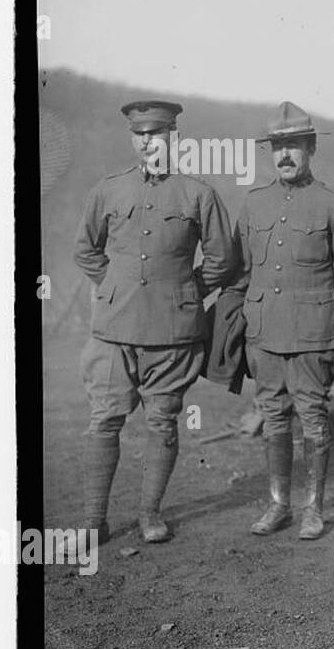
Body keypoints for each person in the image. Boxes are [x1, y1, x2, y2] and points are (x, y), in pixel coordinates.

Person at [73, 100, 237, 543]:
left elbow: (223, 258)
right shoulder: (108, 190)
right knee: (104, 419)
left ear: (173, 138)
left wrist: (185, 292)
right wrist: (115, 287)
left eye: (157, 134)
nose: (148, 141)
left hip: (171, 334)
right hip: (112, 331)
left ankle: (150, 515)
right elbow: (86, 249)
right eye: (140, 134)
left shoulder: (198, 193)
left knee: (162, 421)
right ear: (132, 138)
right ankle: (93, 523)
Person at [234, 102, 334, 539]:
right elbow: (242, 267)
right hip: (265, 330)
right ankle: (278, 505)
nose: (285, 155)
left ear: (310, 148)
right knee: (273, 417)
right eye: (278, 147)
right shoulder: (254, 203)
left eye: (293, 146)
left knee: (312, 417)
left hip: (313, 332)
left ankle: (314, 508)